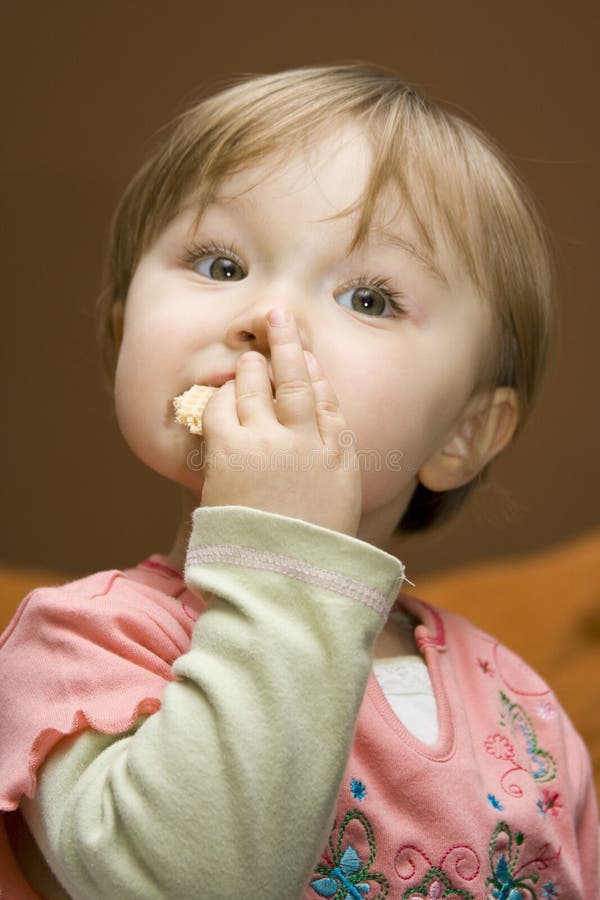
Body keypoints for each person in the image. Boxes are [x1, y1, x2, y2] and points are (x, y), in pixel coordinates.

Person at [0, 63, 597, 899]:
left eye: (370, 297)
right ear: (122, 330)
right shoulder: (81, 650)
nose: (267, 320)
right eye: (219, 265)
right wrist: (283, 559)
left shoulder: (522, 710)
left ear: (464, 433)